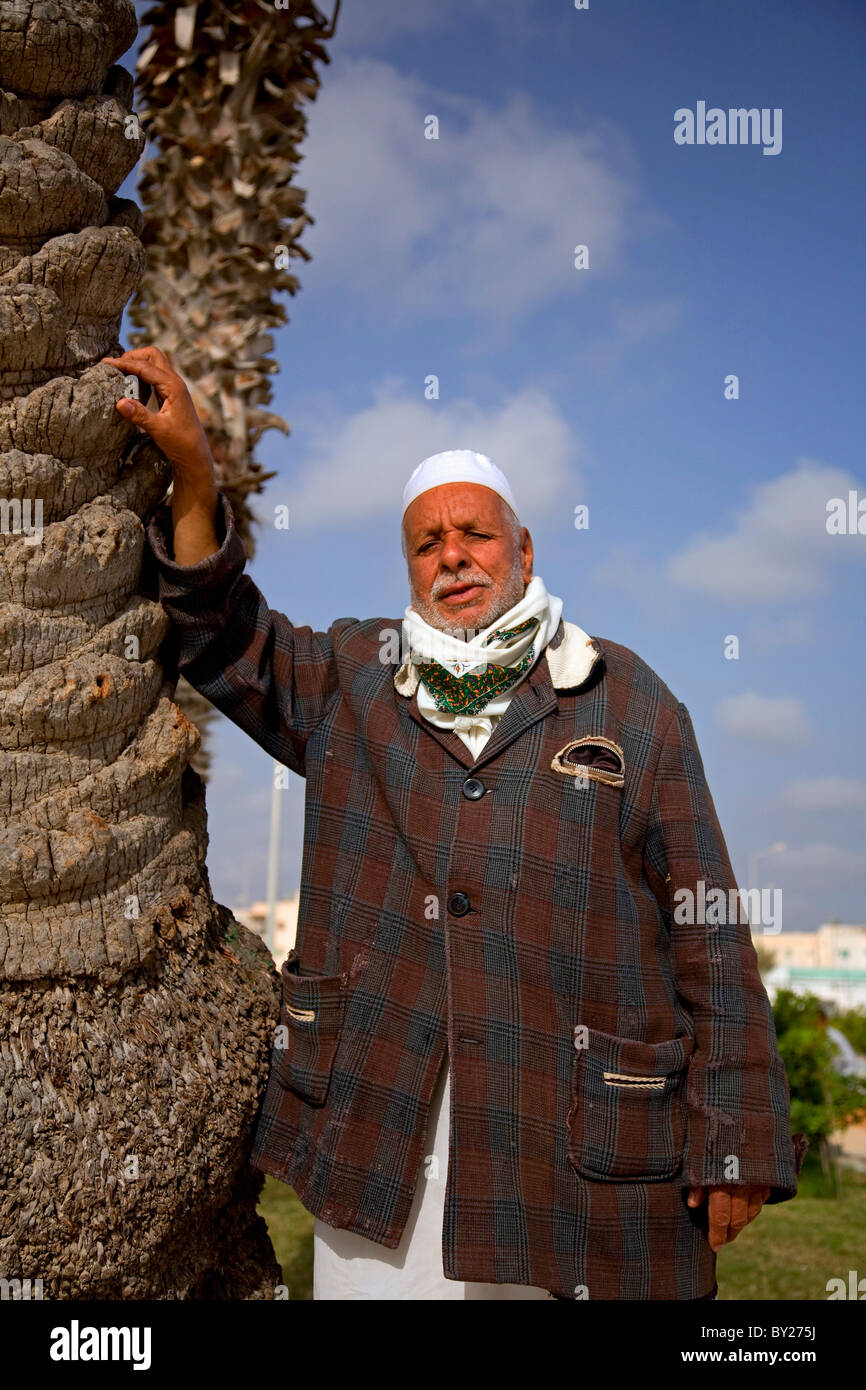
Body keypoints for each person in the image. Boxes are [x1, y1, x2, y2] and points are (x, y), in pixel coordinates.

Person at [102, 346, 807, 1301]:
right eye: (427, 543)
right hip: (377, 1134)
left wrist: (738, 1130)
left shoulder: (630, 703)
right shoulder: (354, 674)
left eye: (473, 533)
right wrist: (194, 474)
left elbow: (709, 931)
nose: (451, 557)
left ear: (524, 551)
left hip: (570, 1160)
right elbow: (225, 633)